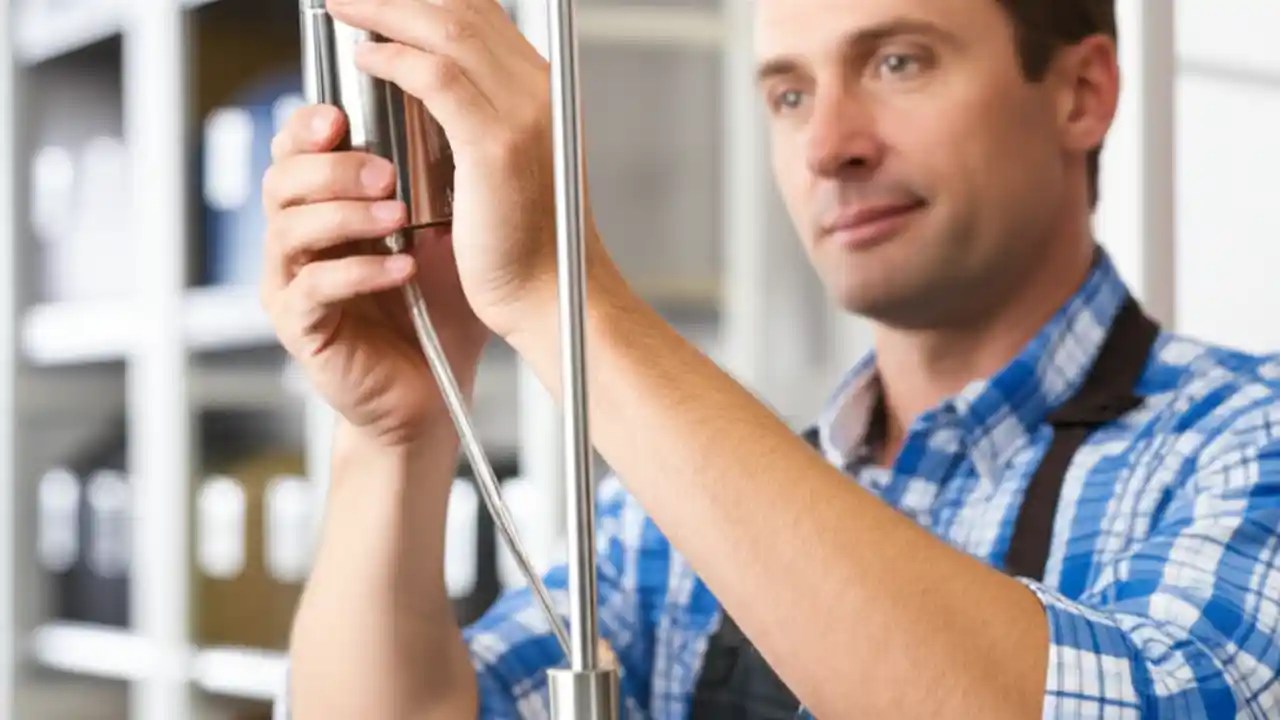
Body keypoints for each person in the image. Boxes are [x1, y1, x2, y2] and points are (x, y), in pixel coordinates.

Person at [262, 0, 1280, 717]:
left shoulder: (1244, 445)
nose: (828, 144)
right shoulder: (661, 527)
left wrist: (568, 302)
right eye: (788, 94)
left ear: (1080, 92)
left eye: (897, 61)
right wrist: (398, 433)